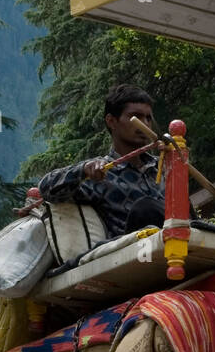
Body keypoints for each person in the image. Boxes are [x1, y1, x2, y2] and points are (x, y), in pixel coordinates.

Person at [37, 84, 166, 240]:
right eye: (136, 116)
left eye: (148, 118)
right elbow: (46, 187)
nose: (144, 123)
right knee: (146, 208)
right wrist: (83, 169)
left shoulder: (163, 166)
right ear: (111, 121)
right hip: (135, 253)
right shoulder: (100, 173)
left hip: (181, 245)